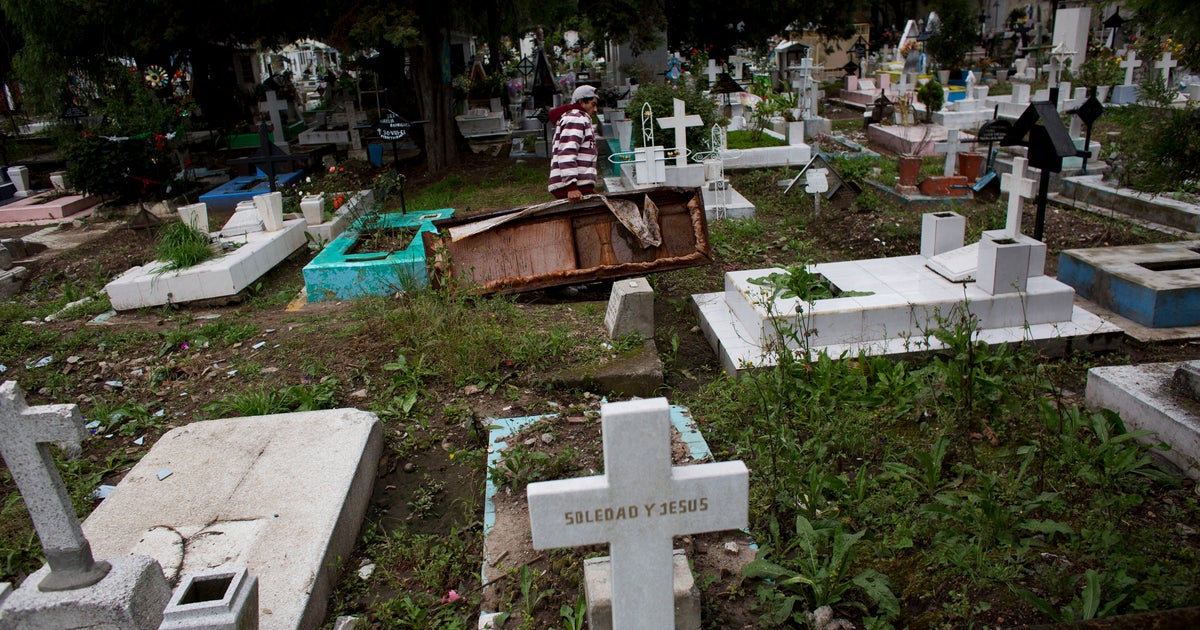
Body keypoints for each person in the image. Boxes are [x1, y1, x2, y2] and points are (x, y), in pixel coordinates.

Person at [548, 85, 599, 201]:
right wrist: (571, 187)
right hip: (572, 188)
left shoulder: (580, 119)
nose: (595, 109)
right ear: (582, 102)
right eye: (593, 104)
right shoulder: (576, 118)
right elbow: (567, 152)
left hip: (579, 187)